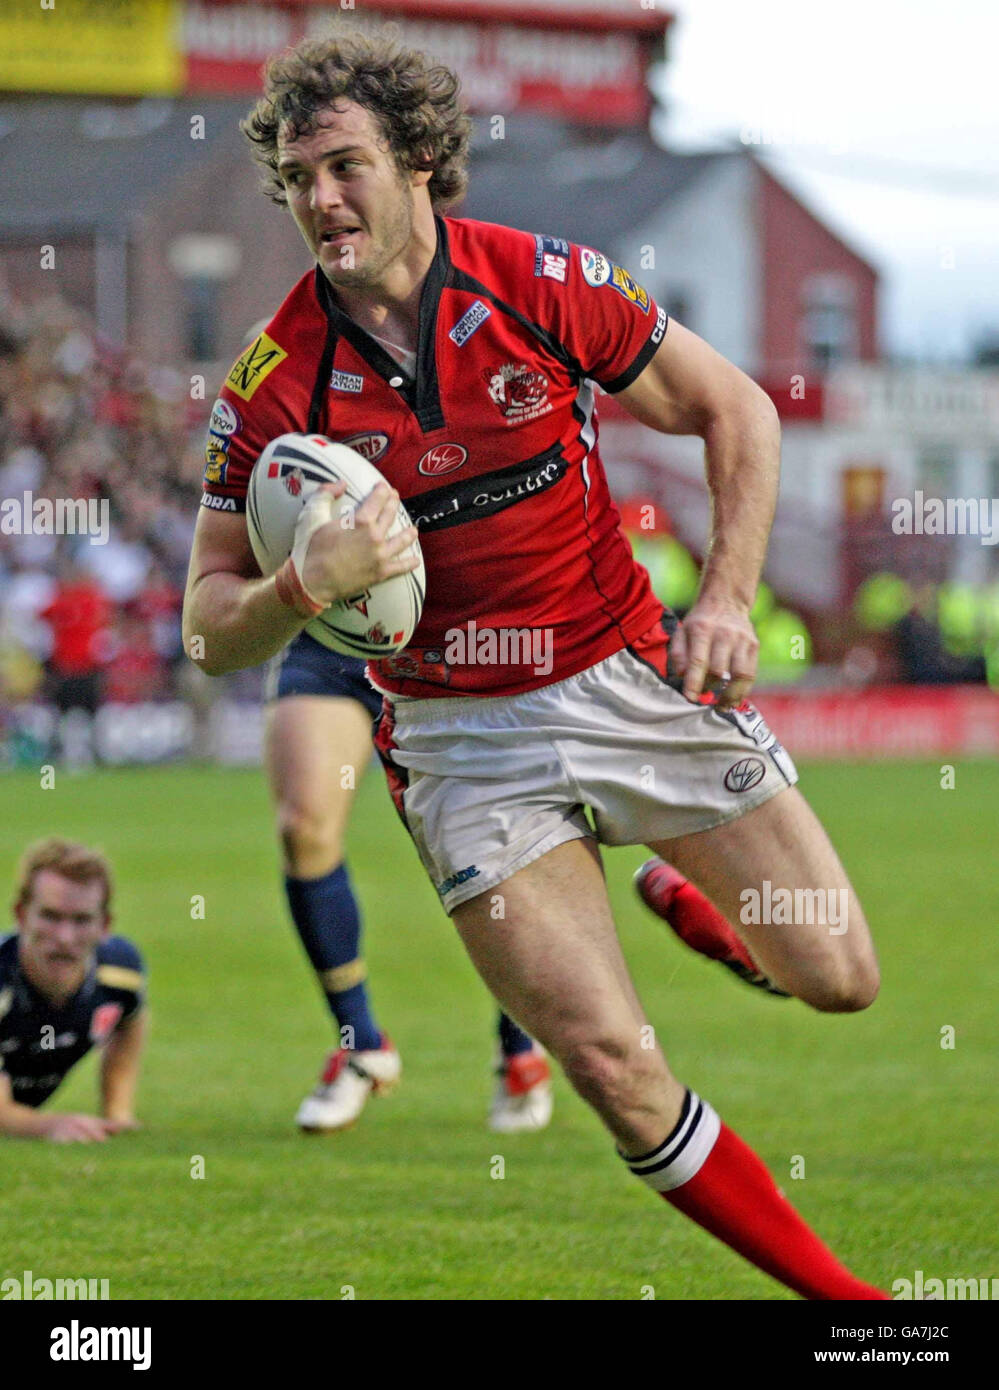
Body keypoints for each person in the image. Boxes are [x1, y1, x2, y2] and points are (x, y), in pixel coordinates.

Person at [182, 30, 888, 1298]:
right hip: (462, 748)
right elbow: (207, 622)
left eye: (347, 167)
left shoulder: (540, 279)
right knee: (613, 1068)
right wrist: (302, 586)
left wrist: (726, 598)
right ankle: (854, 1312)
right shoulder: (274, 382)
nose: (323, 201)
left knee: (841, 979)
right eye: (299, 180)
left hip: (627, 680)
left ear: (419, 163)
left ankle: (689, 901)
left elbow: (741, 409)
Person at [262, 631, 553, 1133]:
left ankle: (519, 1039)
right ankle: (361, 1043)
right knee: (303, 827)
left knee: (487, 846)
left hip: (459, 640)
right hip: (333, 638)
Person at [0, 838, 147, 1142]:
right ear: (21, 915)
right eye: (50, 916)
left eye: (82, 920)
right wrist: (49, 1126)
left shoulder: (121, 974)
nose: (65, 938)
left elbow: (131, 1019)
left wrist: (118, 1112)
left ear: (105, 925)